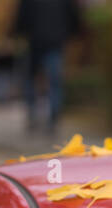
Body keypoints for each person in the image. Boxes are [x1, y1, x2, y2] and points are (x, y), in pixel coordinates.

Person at [11, 0, 83, 133]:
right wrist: (74, 34)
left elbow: (21, 16)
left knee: (32, 79)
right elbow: (73, 15)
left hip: (35, 42)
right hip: (53, 42)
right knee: (54, 81)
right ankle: (52, 117)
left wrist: (16, 34)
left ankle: (34, 116)